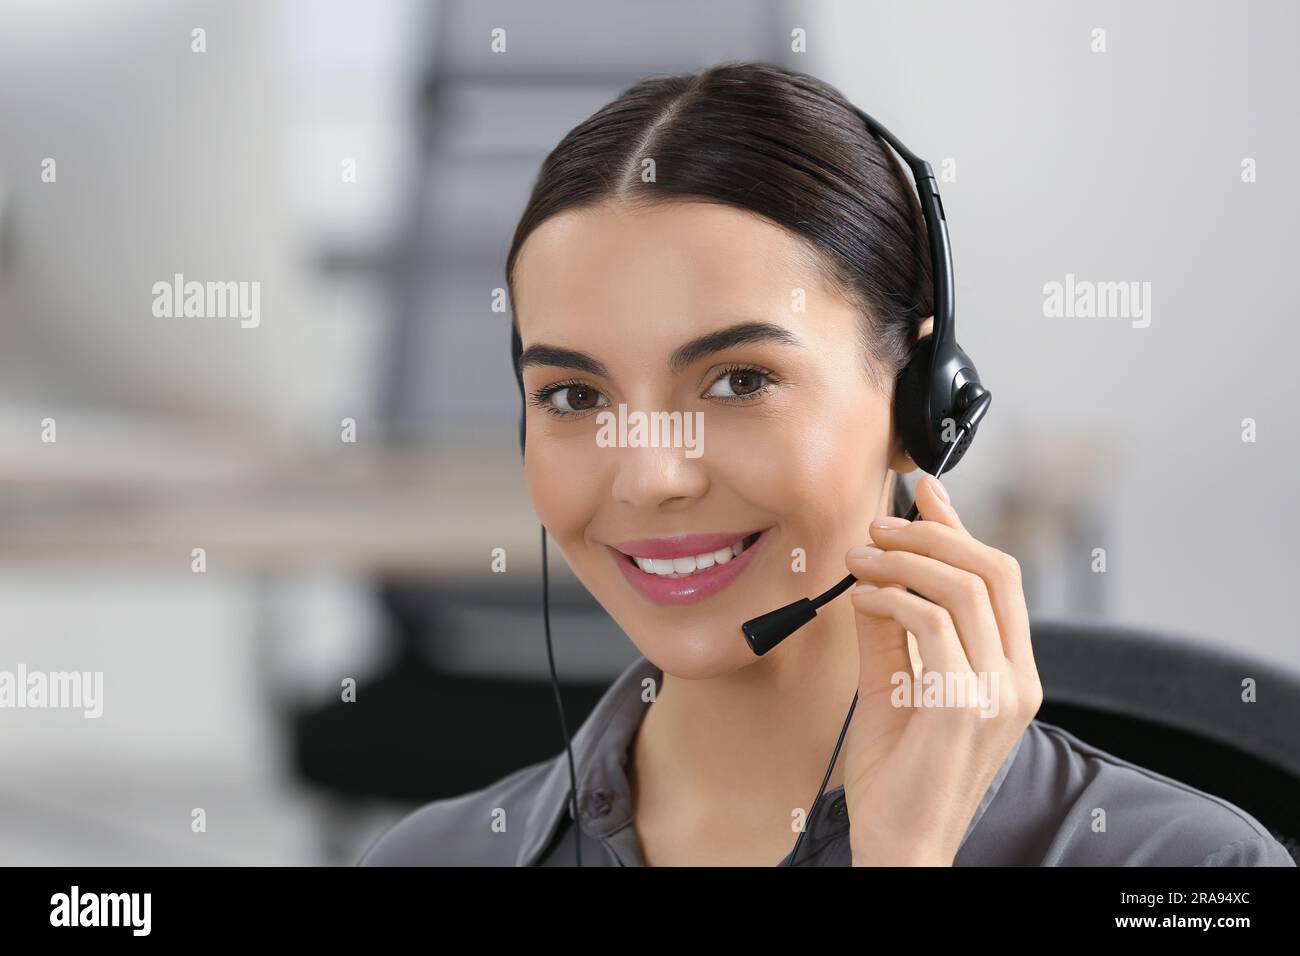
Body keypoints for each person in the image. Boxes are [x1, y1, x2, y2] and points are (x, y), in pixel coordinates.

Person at [359, 61, 1294, 867]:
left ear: (920, 405)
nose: (649, 476)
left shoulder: (1190, 871)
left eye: (737, 382)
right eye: (575, 396)